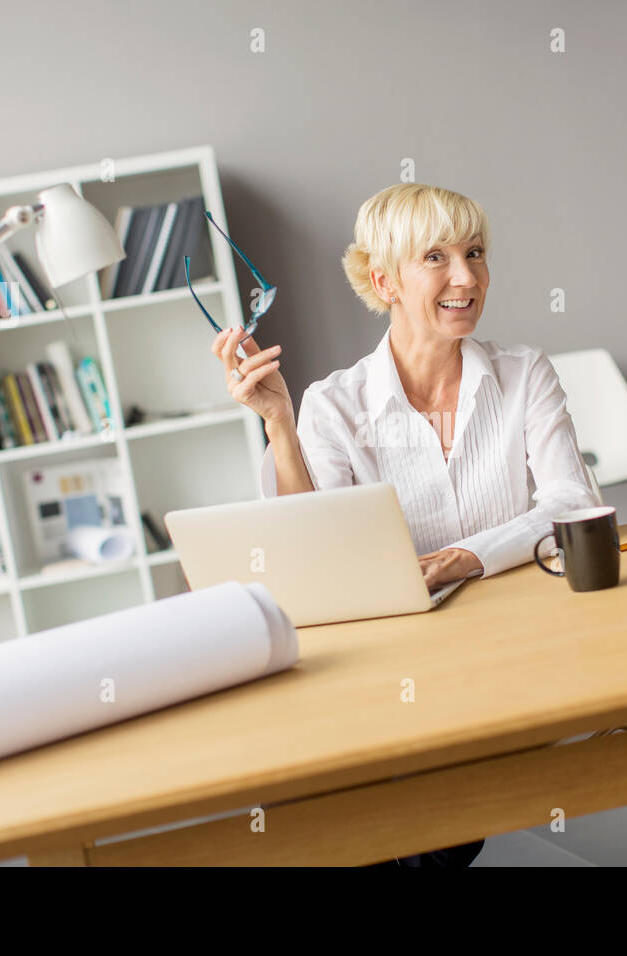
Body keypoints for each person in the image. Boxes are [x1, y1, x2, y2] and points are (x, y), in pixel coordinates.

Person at [210, 183, 599, 866]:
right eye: (437, 257)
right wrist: (280, 426)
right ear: (384, 280)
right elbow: (324, 556)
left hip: (513, 653)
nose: (466, 277)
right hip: (398, 667)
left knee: (412, 815)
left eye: (476, 253)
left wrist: (465, 558)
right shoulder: (333, 403)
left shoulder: (524, 374)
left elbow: (571, 501)